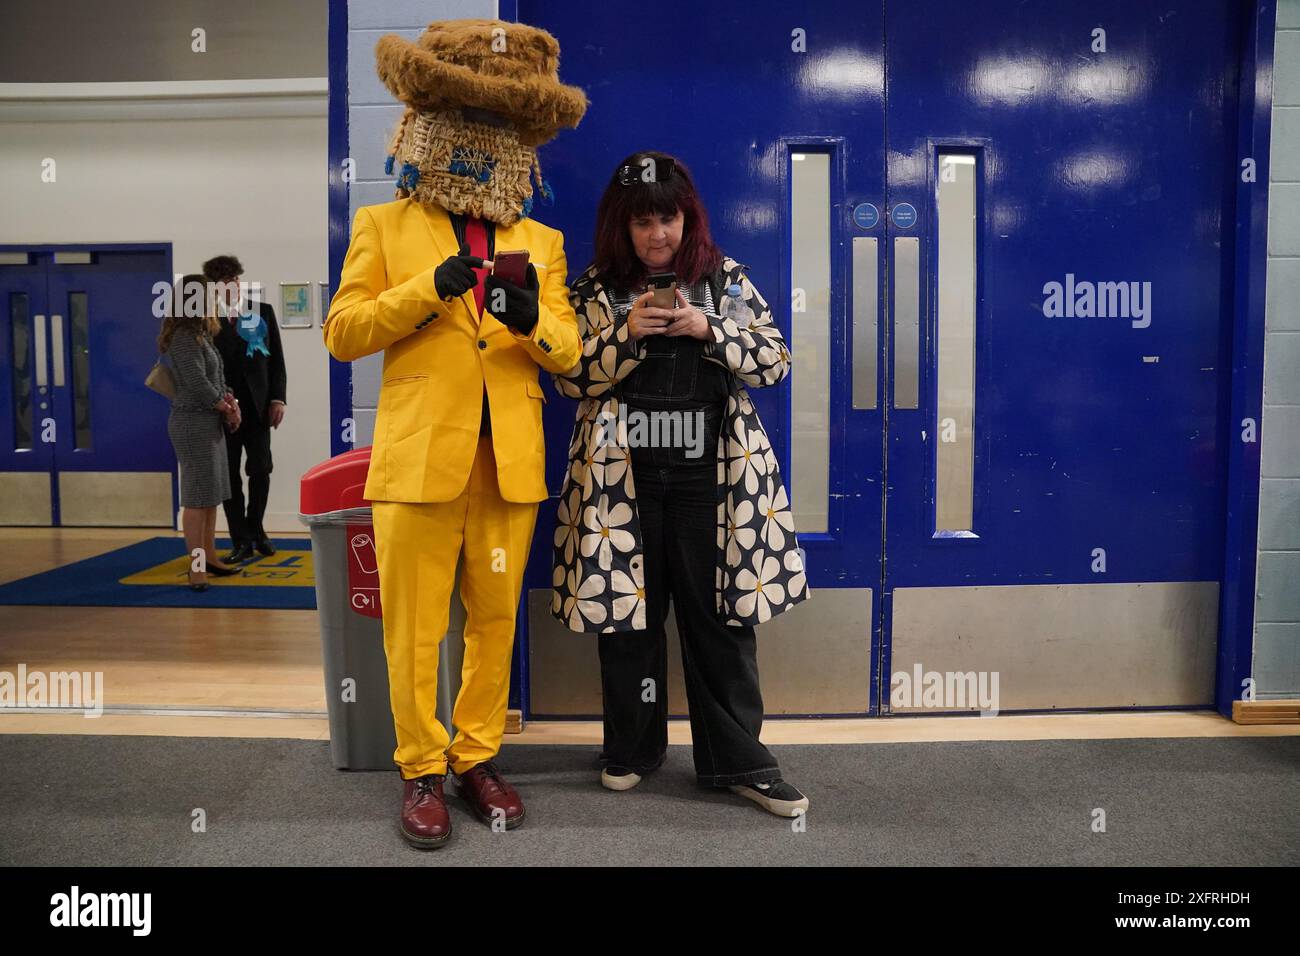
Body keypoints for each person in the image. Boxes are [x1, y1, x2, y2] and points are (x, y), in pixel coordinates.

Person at [323, 19, 586, 849]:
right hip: (417, 463)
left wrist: (529, 320)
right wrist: (424, 294)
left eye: (498, 129)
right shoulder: (383, 226)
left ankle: (477, 758)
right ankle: (420, 770)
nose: (482, 142)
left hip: (507, 465)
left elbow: (570, 351)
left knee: (494, 621)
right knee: (412, 625)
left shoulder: (540, 242)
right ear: (434, 132)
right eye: (471, 126)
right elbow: (343, 332)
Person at [552, 151, 811, 817]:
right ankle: (632, 751)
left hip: (712, 482)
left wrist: (709, 327)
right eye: (642, 221)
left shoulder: (723, 281)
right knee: (628, 621)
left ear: (685, 217)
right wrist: (625, 334)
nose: (656, 234)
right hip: (623, 482)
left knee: (721, 620)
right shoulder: (593, 289)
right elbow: (568, 376)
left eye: (666, 218)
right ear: (624, 226)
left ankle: (739, 763)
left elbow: (776, 362)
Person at [159, 274, 242, 592]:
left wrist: (229, 400)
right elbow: (196, 380)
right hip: (192, 423)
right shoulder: (182, 336)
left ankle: (210, 557)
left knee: (210, 496)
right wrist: (223, 405)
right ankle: (196, 568)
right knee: (196, 498)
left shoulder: (201, 334)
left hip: (208, 422)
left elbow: (216, 377)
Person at [204, 255, 287, 563]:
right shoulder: (206, 317)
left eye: (237, 280)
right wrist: (220, 403)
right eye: (226, 282)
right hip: (222, 410)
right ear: (214, 287)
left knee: (261, 469)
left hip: (258, 406)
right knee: (229, 476)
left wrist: (278, 399)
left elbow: (276, 359)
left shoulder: (261, 311)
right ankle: (239, 539)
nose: (234, 287)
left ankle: (257, 530)